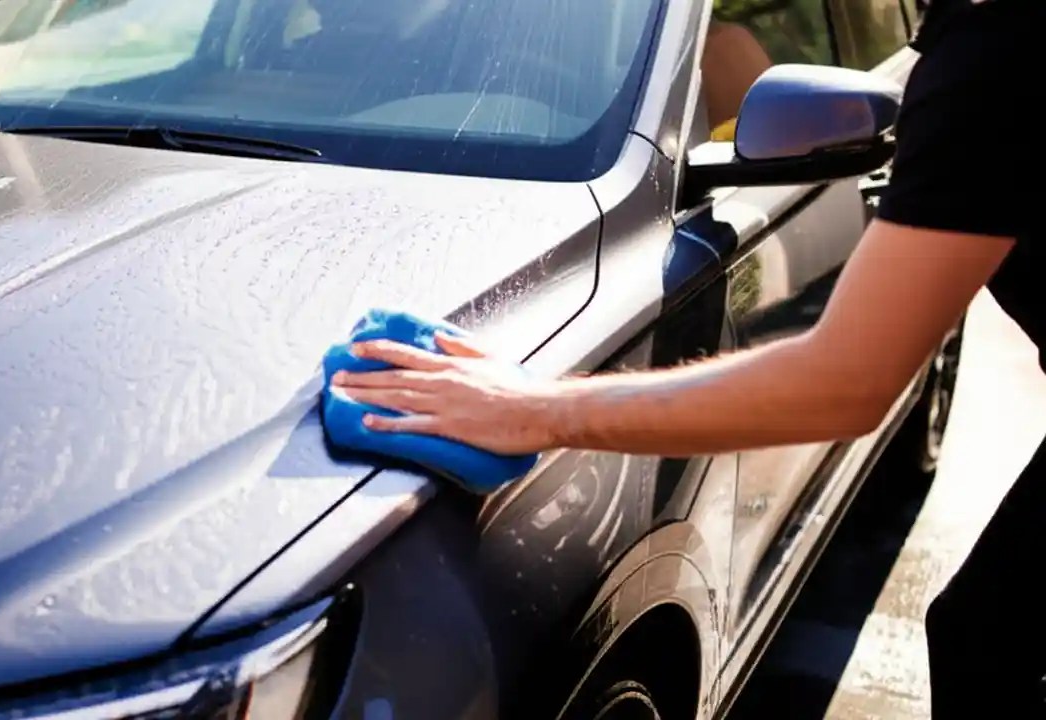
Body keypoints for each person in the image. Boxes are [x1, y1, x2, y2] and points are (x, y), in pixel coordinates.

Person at [329, 0, 1044, 715]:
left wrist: (532, 409)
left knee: (987, 642)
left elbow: (848, 380)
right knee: (982, 636)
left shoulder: (997, 49)